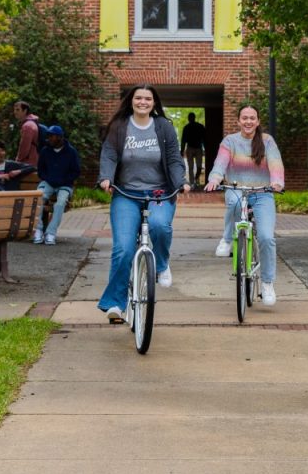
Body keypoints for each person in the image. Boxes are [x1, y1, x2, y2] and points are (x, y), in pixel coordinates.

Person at [97, 84, 188, 322]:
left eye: (148, 99)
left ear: (154, 103)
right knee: (123, 249)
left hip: (159, 193)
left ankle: (161, 264)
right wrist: (106, 177)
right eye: (138, 98)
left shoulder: (163, 127)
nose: (143, 102)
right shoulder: (119, 126)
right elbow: (109, 155)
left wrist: (181, 182)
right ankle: (115, 304)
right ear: (131, 101)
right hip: (126, 194)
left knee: (160, 226)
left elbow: (174, 158)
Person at [205, 104, 285, 306]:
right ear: (238, 121)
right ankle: (227, 239)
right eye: (244, 118)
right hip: (236, 189)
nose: (248, 121)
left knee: (266, 238)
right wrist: (214, 178)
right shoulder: (230, 141)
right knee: (232, 203)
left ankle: (267, 283)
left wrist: (277, 182)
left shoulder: (267, 141)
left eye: (252, 118)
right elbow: (220, 163)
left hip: (262, 193)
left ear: (257, 121)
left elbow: (275, 163)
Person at [35, 124, 80, 245]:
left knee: (60, 203)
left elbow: (76, 171)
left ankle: (50, 233)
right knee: (38, 199)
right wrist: (48, 178)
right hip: (48, 183)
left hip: (65, 185)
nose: (49, 138)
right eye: (48, 136)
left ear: (60, 137)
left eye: (52, 136)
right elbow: (40, 170)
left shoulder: (71, 152)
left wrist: (64, 180)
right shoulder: (45, 151)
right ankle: (38, 230)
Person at [180, 112, 207, 186]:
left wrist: (205, 148)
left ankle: (195, 179)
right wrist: (182, 150)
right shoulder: (187, 128)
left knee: (199, 166)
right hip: (190, 148)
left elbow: (204, 138)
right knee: (191, 167)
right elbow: (183, 140)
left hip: (198, 148)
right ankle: (192, 183)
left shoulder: (199, 126)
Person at [12, 100, 41, 168]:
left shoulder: (27, 126)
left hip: (28, 163)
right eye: (14, 110)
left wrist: (17, 161)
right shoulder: (30, 123)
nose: (15, 112)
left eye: (18, 110)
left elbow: (24, 147)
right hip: (32, 161)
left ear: (25, 111)